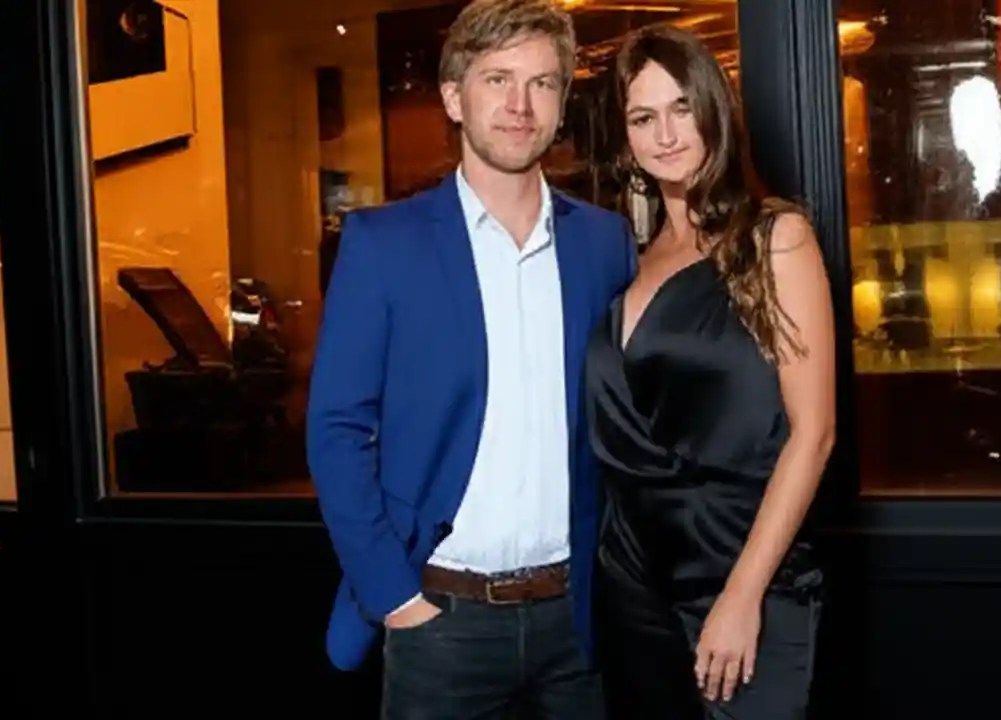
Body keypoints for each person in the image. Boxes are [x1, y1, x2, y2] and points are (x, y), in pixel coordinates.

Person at [306, 1, 635, 717]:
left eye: (543, 84)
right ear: (455, 98)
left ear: (561, 104)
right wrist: (394, 597)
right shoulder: (383, 244)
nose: (520, 105)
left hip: (577, 622)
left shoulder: (606, 245)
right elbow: (335, 429)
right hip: (440, 620)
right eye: (497, 80)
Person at [585, 24, 835, 720]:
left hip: (739, 575)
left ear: (714, 111)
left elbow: (813, 435)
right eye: (643, 117)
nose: (665, 134)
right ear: (626, 135)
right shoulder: (625, 255)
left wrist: (742, 595)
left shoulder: (774, 238)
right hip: (632, 585)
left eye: (681, 107)